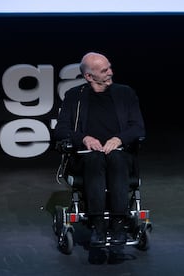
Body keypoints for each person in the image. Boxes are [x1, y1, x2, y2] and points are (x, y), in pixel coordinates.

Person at [53, 52, 145, 260]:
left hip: (119, 153)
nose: (111, 72)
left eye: (109, 67)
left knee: (117, 158)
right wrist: (84, 138)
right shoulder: (75, 96)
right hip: (87, 155)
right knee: (94, 159)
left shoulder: (125, 93)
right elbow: (61, 130)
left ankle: (119, 224)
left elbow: (138, 127)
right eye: (104, 71)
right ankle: (98, 225)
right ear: (89, 76)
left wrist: (119, 139)